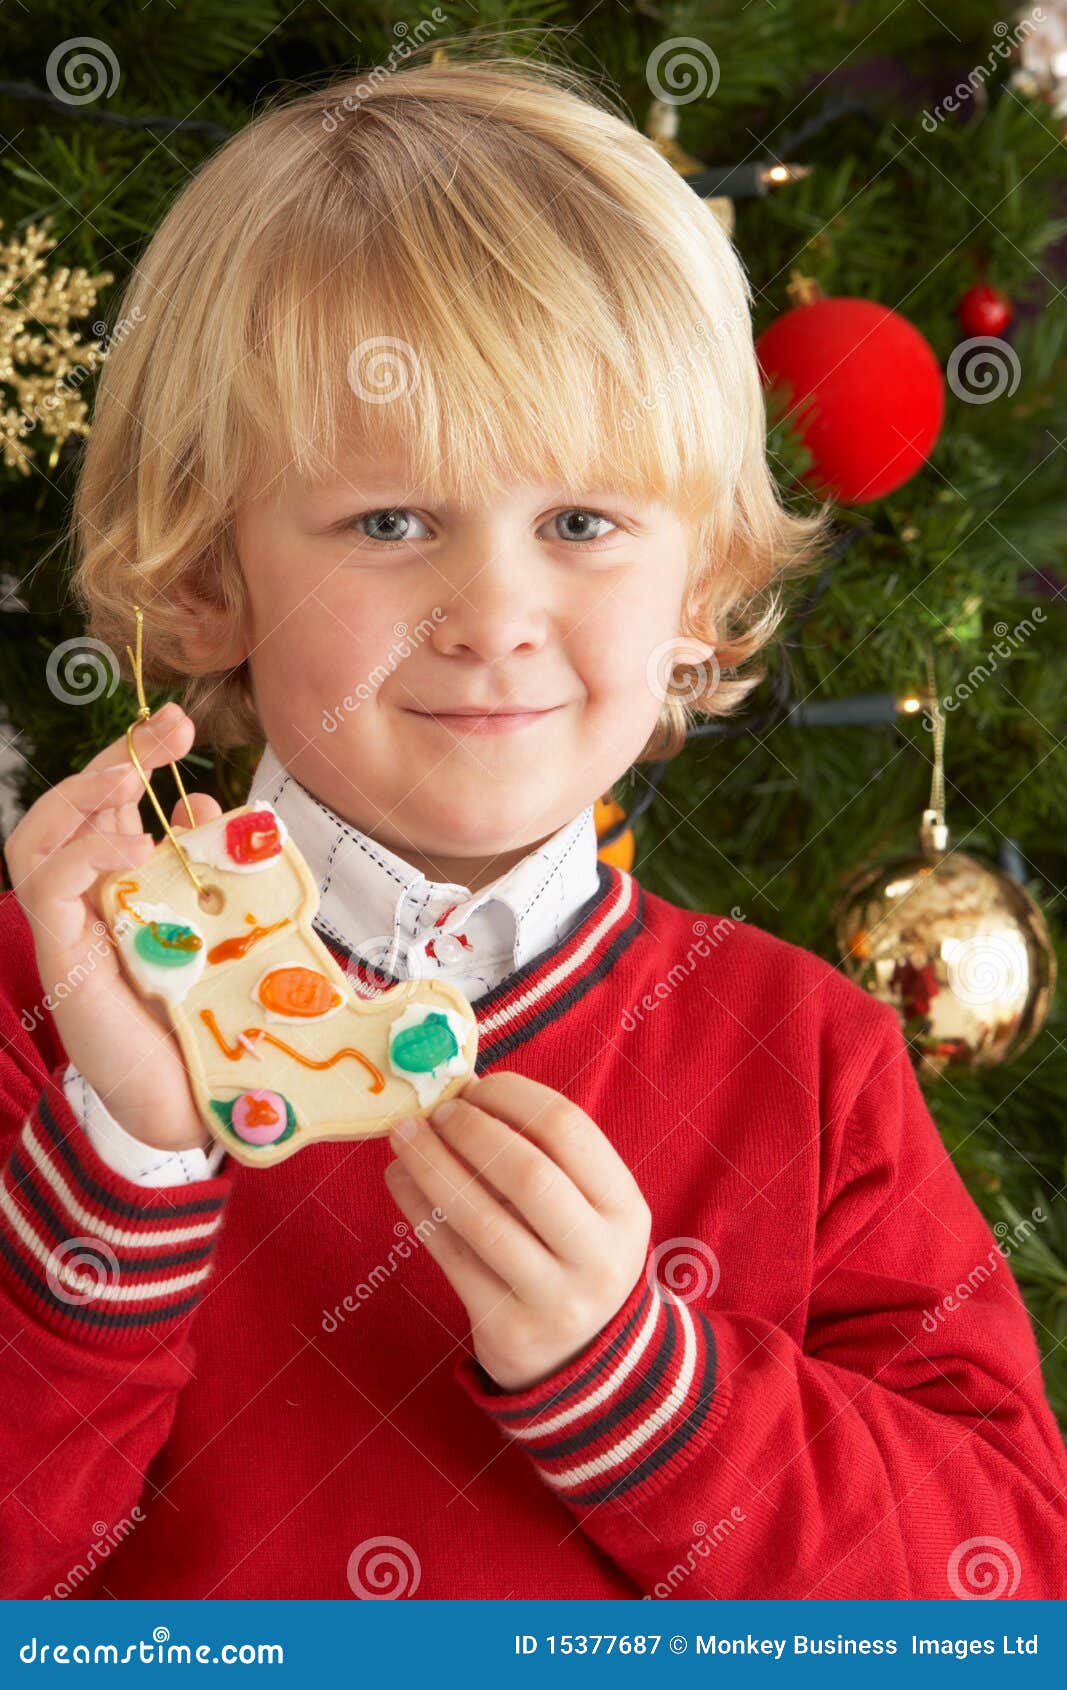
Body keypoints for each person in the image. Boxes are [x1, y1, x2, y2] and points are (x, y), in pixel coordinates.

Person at [1, 50, 1065, 1602]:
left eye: (580, 522)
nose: (494, 615)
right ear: (208, 575)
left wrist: (645, 1386)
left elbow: (1005, 1580)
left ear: (696, 589)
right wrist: (124, 1167)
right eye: (389, 521)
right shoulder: (48, 1006)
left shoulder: (814, 1056)